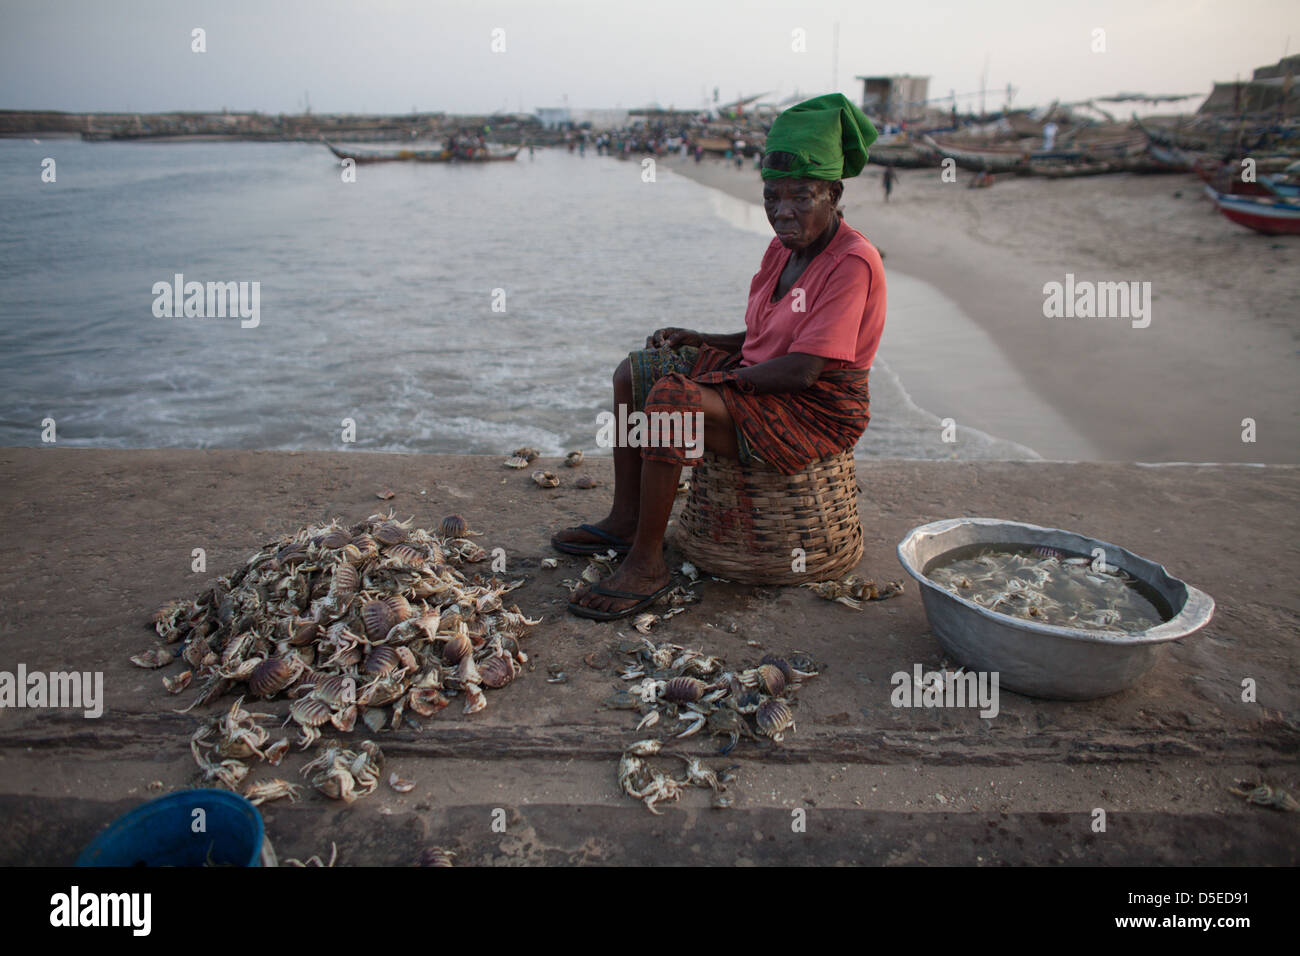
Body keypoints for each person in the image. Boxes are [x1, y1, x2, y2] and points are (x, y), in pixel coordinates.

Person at [552, 93, 887, 619]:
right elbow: (766, 334)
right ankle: (625, 520)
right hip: (762, 379)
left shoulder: (853, 262)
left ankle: (647, 565)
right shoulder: (782, 248)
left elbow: (805, 368)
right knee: (633, 374)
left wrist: (721, 384)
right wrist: (702, 338)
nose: (783, 210)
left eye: (802, 196)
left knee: (671, 401)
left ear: (834, 193)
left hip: (814, 407)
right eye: (772, 196)